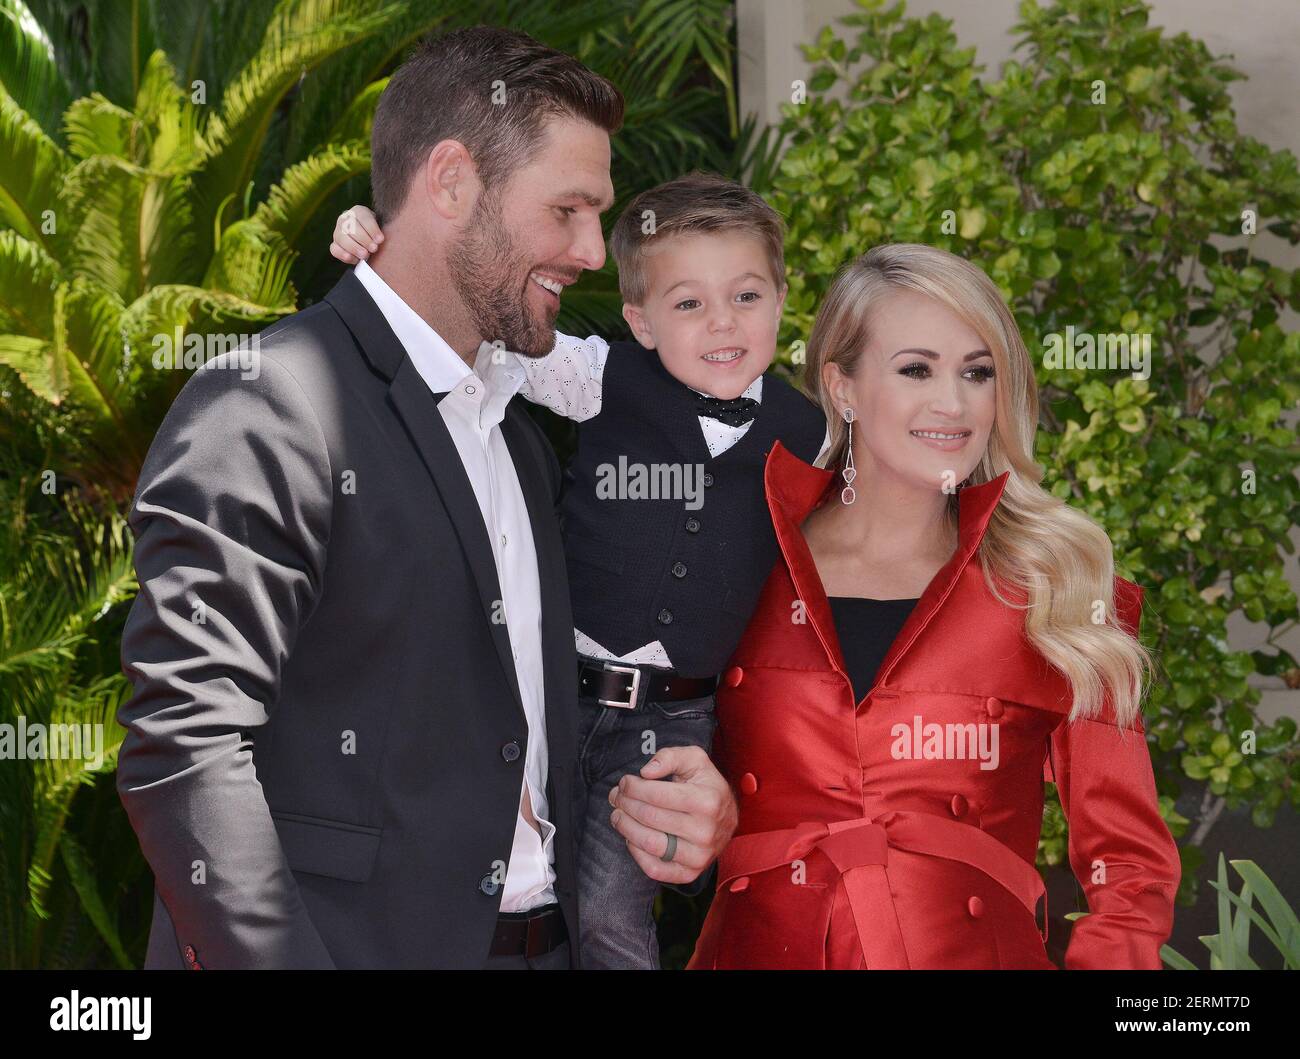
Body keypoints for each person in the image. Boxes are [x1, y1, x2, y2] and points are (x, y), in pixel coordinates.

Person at [114, 26, 736, 971]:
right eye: (566, 210)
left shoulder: (521, 442)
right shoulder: (270, 403)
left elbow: (506, 730)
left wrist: (675, 801)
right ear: (451, 183)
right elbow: (186, 744)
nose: (590, 253)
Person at [330, 172, 829, 968]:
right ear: (641, 320)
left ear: (779, 298)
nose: (723, 323)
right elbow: (470, 334)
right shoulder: (604, 378)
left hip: (668, 728)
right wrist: (383, 250)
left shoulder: (812, 433)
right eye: (688, 304)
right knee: (481, 878)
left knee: (606, 910)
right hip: (545, 694)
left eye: (746, 296)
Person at [687, 244, 1182, 969]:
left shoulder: (1054, 589)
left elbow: (1131, 873)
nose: (953, 404)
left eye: (977, 373)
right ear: (842, 387)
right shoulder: (738, 562)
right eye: (916, 368)